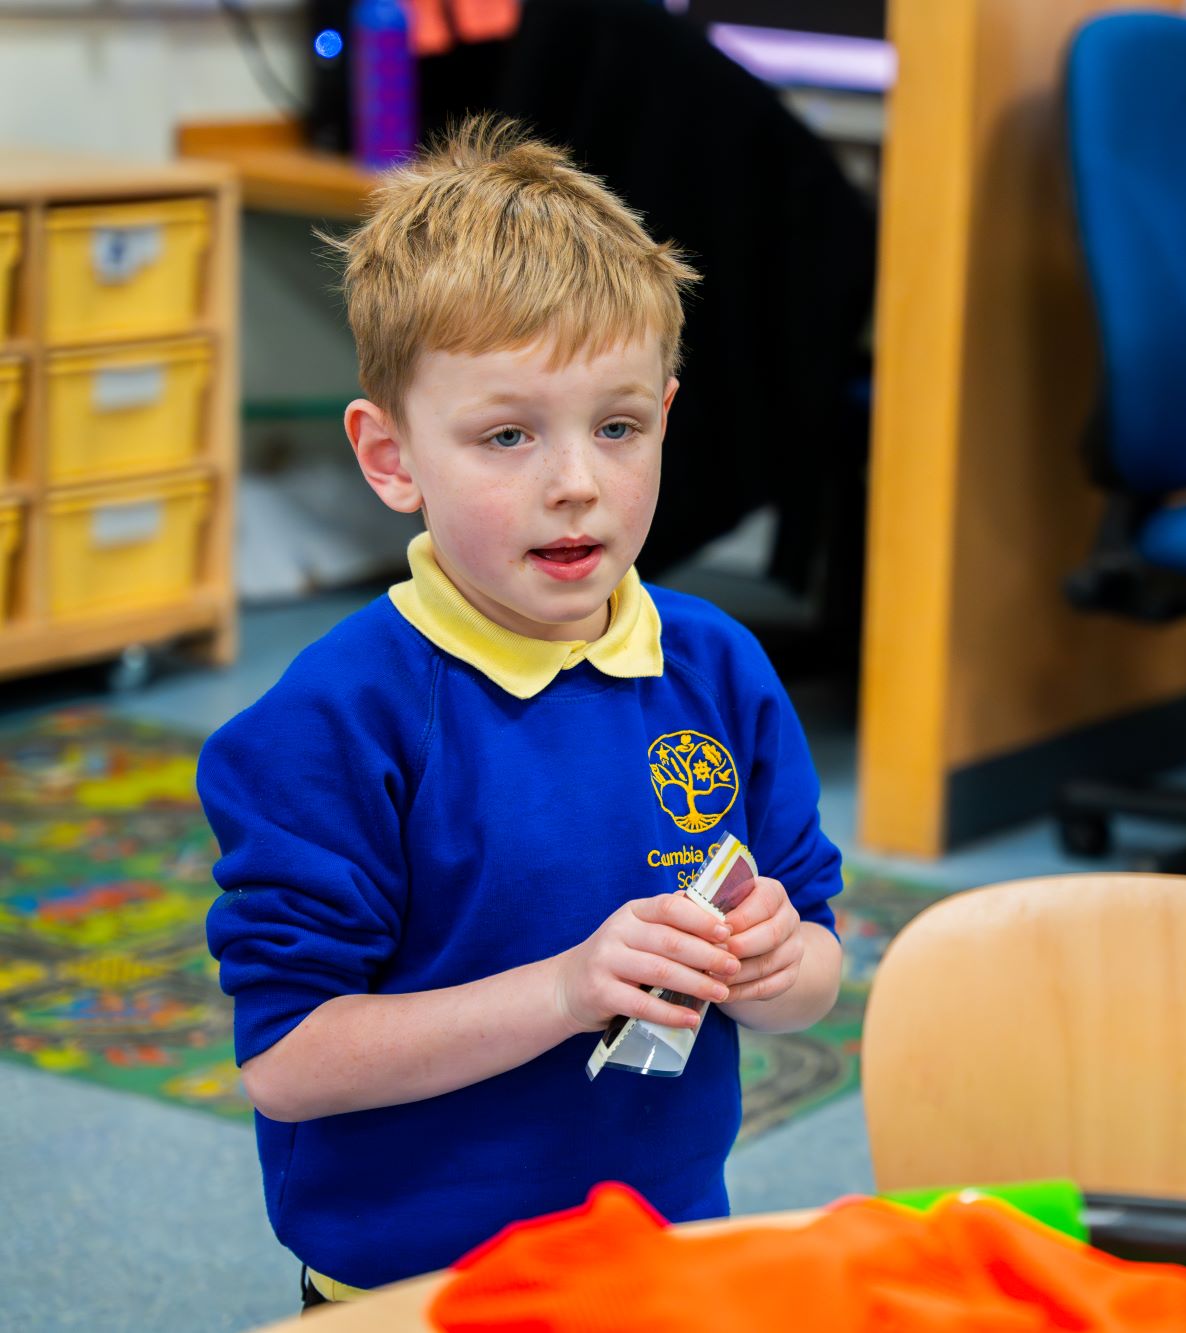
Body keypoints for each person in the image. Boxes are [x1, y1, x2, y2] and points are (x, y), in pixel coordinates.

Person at [198, 115, 845, 1308]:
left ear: (665, 412)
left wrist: (773, 963)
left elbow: (816, 963)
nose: (576, 483)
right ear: (391, 458)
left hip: (657, 1255)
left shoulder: (720, 669)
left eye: (618, 426)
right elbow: (288, 1062)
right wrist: (564, 990)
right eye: (507, 435)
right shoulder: (335, 720)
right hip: (413, 1281)